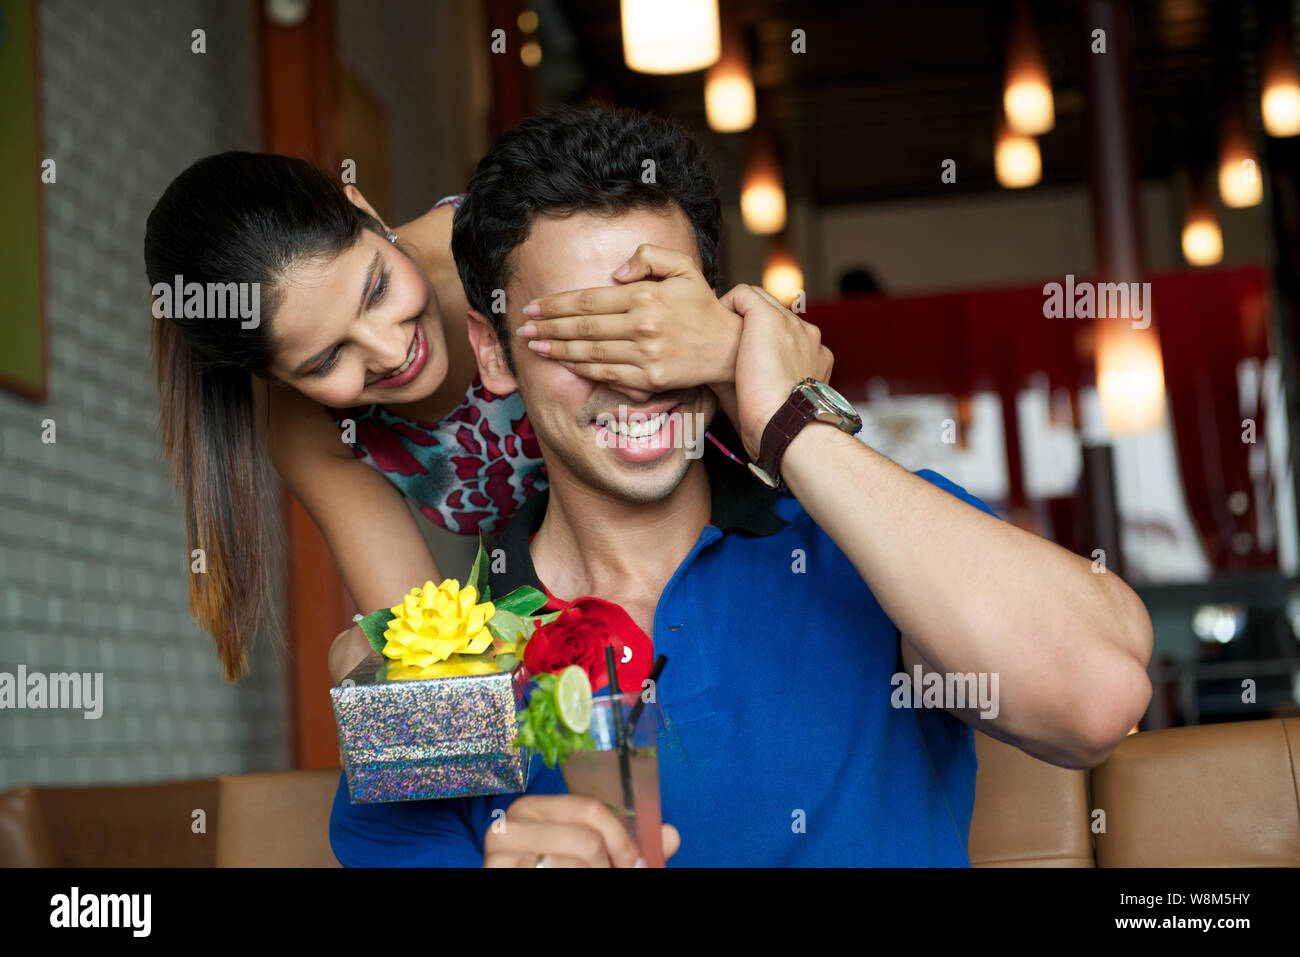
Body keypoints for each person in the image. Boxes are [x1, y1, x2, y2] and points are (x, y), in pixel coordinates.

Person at [328, 104, 1154, 867]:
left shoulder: (862, 547)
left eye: (658, 319)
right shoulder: (447, 654)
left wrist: (787, 419)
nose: (635, 371)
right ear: (497, 352)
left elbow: (1098, 699)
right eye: (579, 331)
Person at [143, 146, 740, 684]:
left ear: (367, 212)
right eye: (327, 359)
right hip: (575, 627)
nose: (389, 350)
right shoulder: (309, 429)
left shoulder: (505, 244)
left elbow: (716, 347)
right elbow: (433, 652)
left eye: (376, 291)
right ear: (276, 379)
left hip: (729, 539)